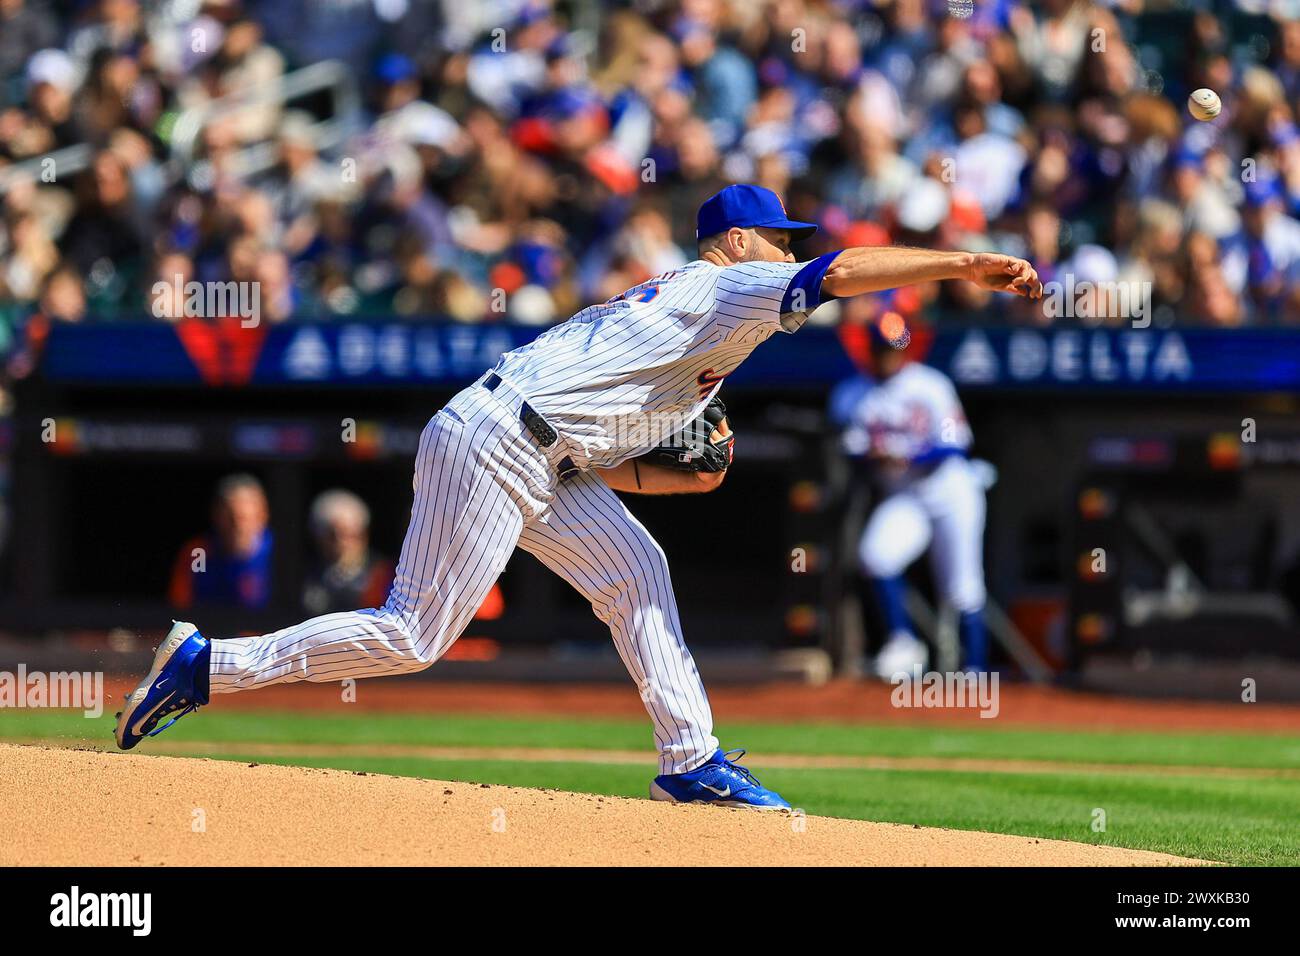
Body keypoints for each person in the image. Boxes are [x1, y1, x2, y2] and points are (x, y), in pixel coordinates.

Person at [117, 184, 1041, 809]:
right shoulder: (728, 286)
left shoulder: (700, 323)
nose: (785, 250)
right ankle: (207, 665)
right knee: (414, 636)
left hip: (542, 452)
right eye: (775, 236)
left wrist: (667, 470)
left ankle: (691, 761)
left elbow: (606, 449)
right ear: (735, 239)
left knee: (638, 566)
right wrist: (964, 265)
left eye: (786, 242)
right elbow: (836, 273)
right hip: (496, 442)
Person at [843, 321, 990, 678]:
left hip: (950, 491)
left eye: (893, 349)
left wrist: (907, 457)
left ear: (905, 350)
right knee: (876, 557)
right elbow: (850, 447)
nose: (887, 357)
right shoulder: (856, 393)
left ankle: (975, 672)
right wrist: (874, 456)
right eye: (881, 349)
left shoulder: (931, 384)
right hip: (905, 495)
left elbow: (956, 442)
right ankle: (903, 642)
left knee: (963, 588)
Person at [168, 474, 273, 610]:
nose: (237, 526)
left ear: (263, 514)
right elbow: (179, 607)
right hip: (209, 628)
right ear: (215, 514)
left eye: (244, 518)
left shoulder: (281, 553)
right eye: (230, 516)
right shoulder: (198, 553)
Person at [301, 489, 394, 616]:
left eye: (352, 534)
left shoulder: (384, 576)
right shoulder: (307, 574)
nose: (344, 542)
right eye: (334, 535)